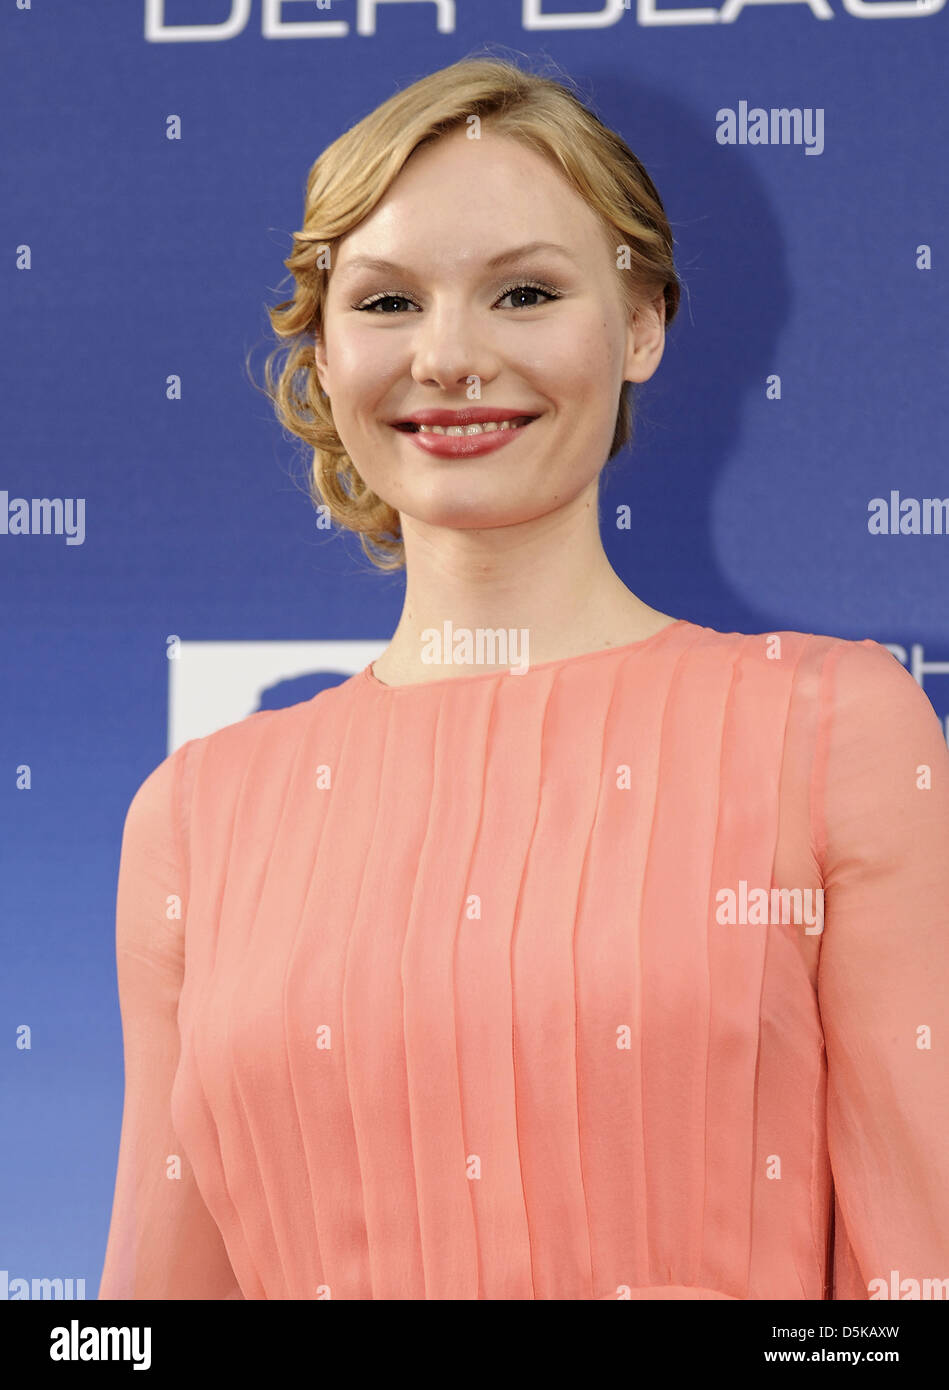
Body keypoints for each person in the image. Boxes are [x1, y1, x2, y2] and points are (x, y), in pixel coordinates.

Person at [98, 55, 949, 1301]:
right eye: (387, 304)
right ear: (324, 357)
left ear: (641, 323)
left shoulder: (834, 729)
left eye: (524, 292)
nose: (447, 357)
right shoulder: (195, 816)